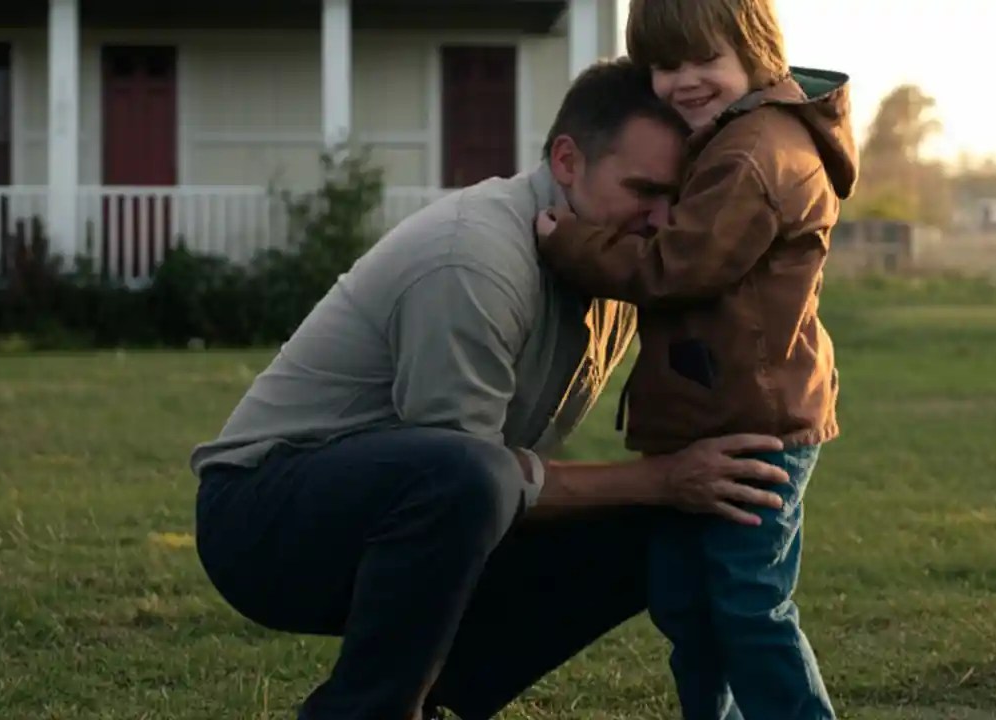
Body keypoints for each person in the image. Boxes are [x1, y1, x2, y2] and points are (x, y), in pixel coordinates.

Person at [189, 58, 795, 720]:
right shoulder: (474, 259)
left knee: (650, 525)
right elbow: (475, 474)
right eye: (643, 190)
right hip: (260, 521)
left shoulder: (613, 264)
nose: (661, 218)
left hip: (415, 507)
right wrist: (662, 478)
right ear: (567, 161)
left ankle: (445, 701)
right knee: (473, 474)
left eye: (679, 198)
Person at [534, 1, 860, 719]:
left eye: (702, 59)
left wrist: (570, 245)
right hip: (709, 413)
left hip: (754, 424)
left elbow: (678, 267)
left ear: (755, 51)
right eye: (664, 65)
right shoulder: (727, 137)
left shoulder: (752, 153)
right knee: (686, 599)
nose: (682, 80)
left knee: (747, 604)